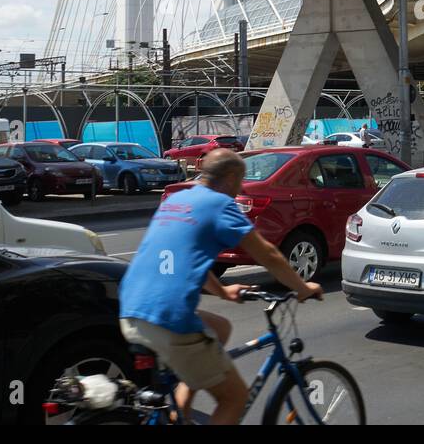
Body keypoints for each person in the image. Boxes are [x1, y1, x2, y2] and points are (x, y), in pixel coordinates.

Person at [118, 148, 323, 425]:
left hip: (131, 308)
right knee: (234, 399)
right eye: (240, 181)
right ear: (229, 178)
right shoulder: (219, 204)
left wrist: (223, 292)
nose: (240, 188)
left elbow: (185, 260)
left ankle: (181, 413)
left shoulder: (176, 200)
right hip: (168, 318)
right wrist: (301, 287)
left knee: (220, 328)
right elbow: (268, 253)